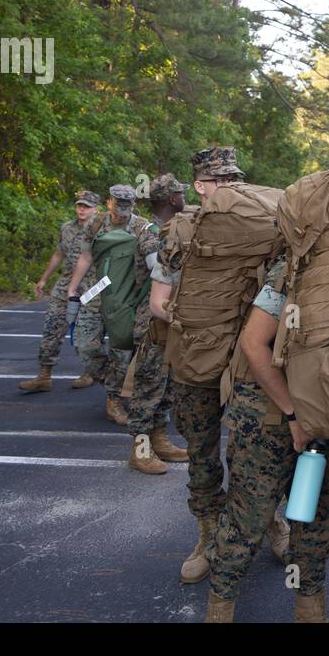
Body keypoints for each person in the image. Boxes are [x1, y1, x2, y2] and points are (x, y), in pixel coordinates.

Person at [148, 147, 289, 583]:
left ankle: (270, 522)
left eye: (233, 180)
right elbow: (158, 303)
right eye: (218, 182)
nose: (227, 189)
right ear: (199, 186)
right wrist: (200, 320)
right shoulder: (180, 232)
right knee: (202, 455)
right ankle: (208, 534)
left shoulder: (268, 228)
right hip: (194, 357)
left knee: (253, 453)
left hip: (250, 361)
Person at [204, 252, 329, 623]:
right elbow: (254, 343)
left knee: (318, 518)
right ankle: (220, 608)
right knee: (247, 519)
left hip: (324, 415)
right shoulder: (291, 268)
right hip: (266, 416)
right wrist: (292, 414)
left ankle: (309, 608)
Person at [63, 184, 150, 425]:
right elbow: (86, 256)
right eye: (117, 204)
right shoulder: (96, 223)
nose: (122, 210)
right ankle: (114, 381)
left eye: (127, 205)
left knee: (121, 349)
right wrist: (73, 287)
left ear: (133, 205)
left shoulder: (142, 226)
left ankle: (114, 399)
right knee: (84, 344)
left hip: (125, 295)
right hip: (96, 291)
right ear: (109, 202)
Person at [126, 173, 189, 473]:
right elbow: (161, 270)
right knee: (148, 387)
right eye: (181, 194)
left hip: (170, 320)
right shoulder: (152, 233)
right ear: (172, 199)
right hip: (151, 322)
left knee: (168, 386)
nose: (184, 198)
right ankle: (139, 450)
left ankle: (159, 439)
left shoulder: (172, 229)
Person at [18, 190, 100, 393]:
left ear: (96, 209)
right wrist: (44, 279)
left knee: (88, 332)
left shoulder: (102, 230)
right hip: (66, 285)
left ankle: (89, 372)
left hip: (92, 286)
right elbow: (58, 254)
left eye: (86, 206)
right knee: (52, 327)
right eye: (79, 205)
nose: (81, 209)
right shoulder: (67, 228)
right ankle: (44, 375)